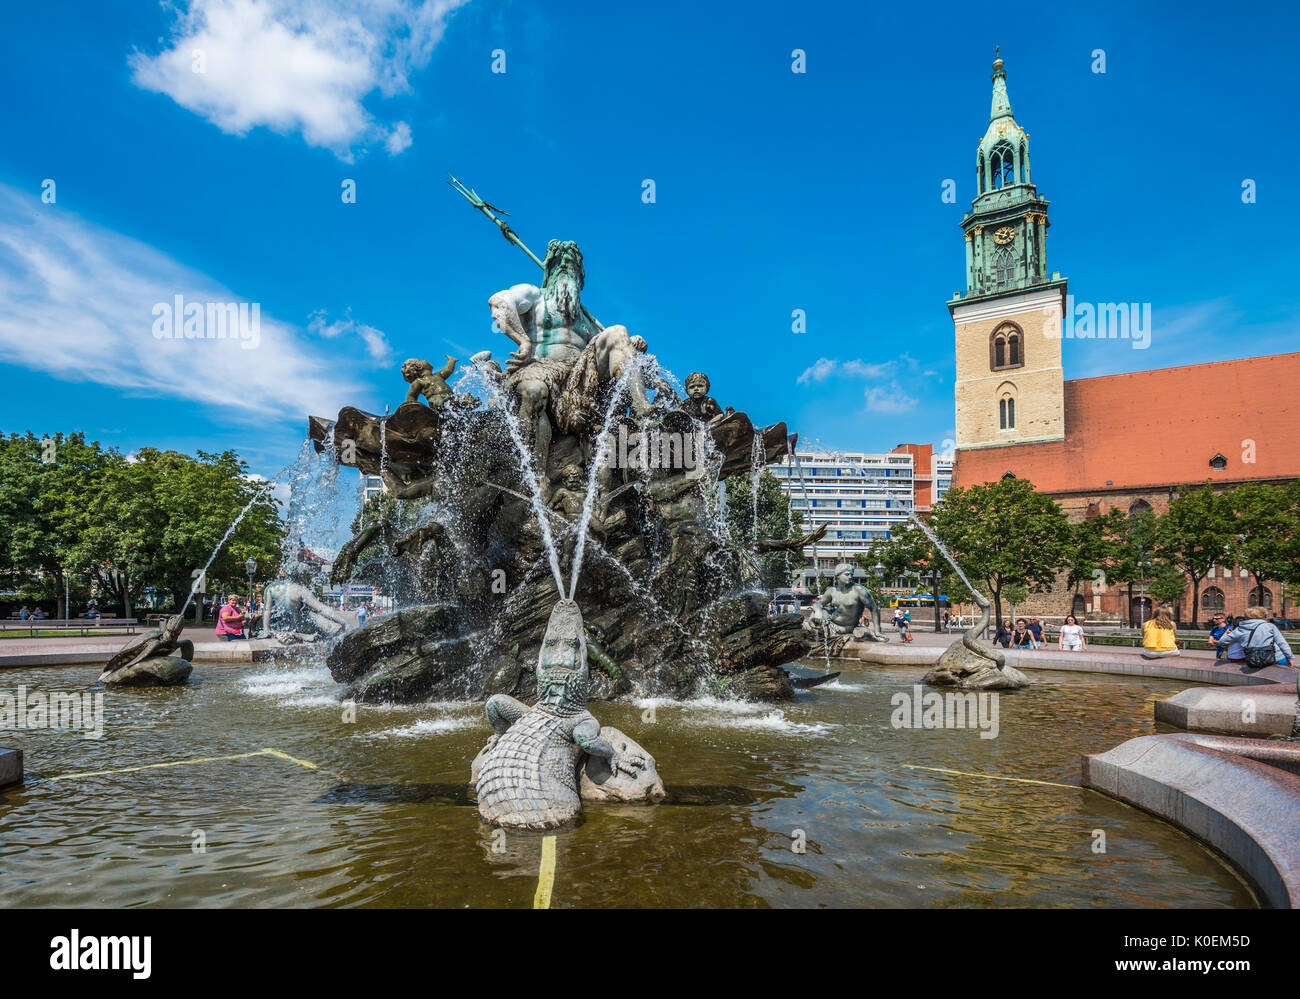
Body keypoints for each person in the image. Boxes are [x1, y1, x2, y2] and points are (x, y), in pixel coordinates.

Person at [1213, 606, 1293, 667]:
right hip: (1277, 658)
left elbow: (1222, 641)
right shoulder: (1270, 626)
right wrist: (1290, 658)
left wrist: (1227, 633)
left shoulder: (1241, 629)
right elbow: (1282, 643)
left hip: (1254, 659)